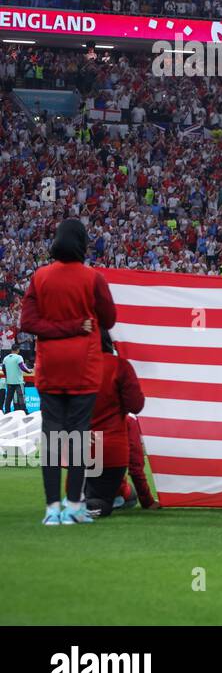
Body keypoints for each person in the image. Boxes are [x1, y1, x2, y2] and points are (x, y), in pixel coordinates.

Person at [20, 219, 118, 526]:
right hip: (84, 366)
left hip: (50, 366)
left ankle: (52, 509)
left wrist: (59, 329)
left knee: (51, 436)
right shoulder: (93, 278)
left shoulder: (40, 277)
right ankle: (74, 504)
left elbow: (28, 323)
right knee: (78, 435)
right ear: (83, 243)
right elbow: (110, 318)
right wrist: (76, 326)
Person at [84, 329, 145, 517]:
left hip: (78, 445)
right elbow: (136, 405)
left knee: (85, 489)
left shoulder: (75, 369)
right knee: (104, 500)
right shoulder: (120, 366)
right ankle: (88, 507)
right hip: (110, 447)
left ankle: (76, 502)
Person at [3, 343, 31, 414]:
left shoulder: (5, 358)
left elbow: (4, 369)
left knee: (9, 398)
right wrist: (29, 371)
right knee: (21, 397)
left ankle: (7, 412)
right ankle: (24, 412)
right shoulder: (19, 357)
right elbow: (22, 367)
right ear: (18, 350)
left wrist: (8, 376)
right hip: (18, 381)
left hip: (9, 381)